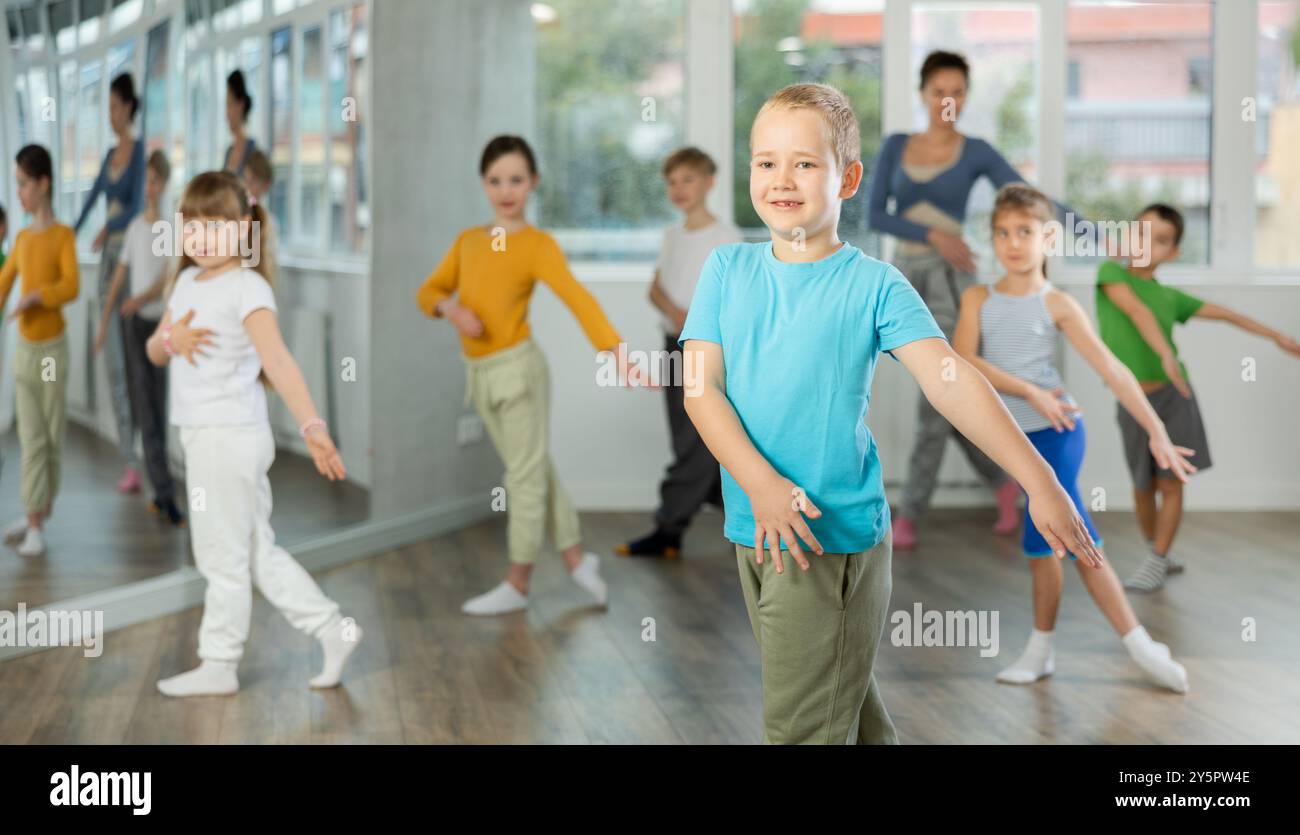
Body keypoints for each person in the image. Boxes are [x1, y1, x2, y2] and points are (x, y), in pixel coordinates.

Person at [680, 83, 1103, 744]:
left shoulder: (874, 284)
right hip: (753, 524)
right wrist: (761, 487)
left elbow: (952, 381)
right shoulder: (726, 270)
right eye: (765, 161)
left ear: (848, 178)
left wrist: (1039, 480)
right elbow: (700, 389)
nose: (781, 179)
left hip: (826, 535)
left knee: (802, 725)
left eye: (804, 162)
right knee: (842, 708)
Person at [954, 184, 1192, 692]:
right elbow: (963, 362)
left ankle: (1136, 644)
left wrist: (1158, 432)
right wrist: (1028, 391)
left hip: (1057, 434)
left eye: (1025, 232)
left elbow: (1112, 367)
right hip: (1014, 436)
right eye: (1002, 233)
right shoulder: (978, 297)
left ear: (1048, 239)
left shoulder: (1056, 303)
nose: (1013, 243)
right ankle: (1050, 649)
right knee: (1047, 543)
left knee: (1062, 535)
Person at [149, 171, 361, 696]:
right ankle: (333, 629)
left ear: (245, 227)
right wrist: (172, 337)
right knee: (254, 551)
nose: (199, 235)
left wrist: (314, 427)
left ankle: (219, 662)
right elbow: (155, 348)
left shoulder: (248, 286)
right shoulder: (186, 283)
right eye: (191, 224)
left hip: (229, 438)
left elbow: (280, 362)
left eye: (214, 223)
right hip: (206, 437)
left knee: (221, 556)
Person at [418, 135, 640, 616]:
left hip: (519, 373)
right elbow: (428, 291)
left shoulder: (537, 246)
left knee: (521, 477)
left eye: (516, 180)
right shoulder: (468, 242)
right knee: (533, 466)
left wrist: (615, 352)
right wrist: (451, 309)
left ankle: (517, 583)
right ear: (484, 184)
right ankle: (578, 561)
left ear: (533, 183)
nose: (506, 190)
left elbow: (578, 299)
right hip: (479, 375)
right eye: (496, 180)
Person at [867, 50, 1073, 549]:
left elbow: (1031, 198)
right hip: (902, 274)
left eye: (957, 92)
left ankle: (910, 513)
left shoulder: (976, 150)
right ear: (922, 94)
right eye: (939, 90)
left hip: (949, 281)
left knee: (938, 395)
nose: (947, 100)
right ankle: (1003, 484)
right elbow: (876, 214)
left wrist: (1104, 232)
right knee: (947, 399)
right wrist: (934, 234)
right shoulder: (896, 145)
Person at [1096, 203, 1300, 591]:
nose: (1145, 245)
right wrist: (1165, 352)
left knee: (1172, 483)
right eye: (1140, 233)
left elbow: (1226, 314)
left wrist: (1276, 336)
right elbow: (1136, 313)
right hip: (1134, 403)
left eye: (1159, 240)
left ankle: (1156, 558)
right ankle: (1158, 550)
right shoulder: (1109, 275)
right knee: (1143, 487)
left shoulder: (1171, 297)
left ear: (1172, 252)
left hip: (1176, 397)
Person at [616, 147, 740, 559]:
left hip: (708, 349)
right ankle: (748, 512)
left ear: (709, 183)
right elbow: (654, 288)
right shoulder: (671, 237)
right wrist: (676, 314)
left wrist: (699, 323)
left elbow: (736, 297)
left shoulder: (725, 238)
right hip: (673, 344)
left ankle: (668, 527)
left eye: (688, 179)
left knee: (697, 440)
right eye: (672, 182)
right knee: (688, 438)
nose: (679, 189)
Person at [95, 149, 184, 525]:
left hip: (158, 324)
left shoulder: (166, 229)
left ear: (162, 184)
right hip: (133, 326)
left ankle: (161, 487)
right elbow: (119, 276)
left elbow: (167, 277)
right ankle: (163, 492)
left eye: (153, 180)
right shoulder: (134, 228)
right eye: (145, 180)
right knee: (144, 407)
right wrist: (103, 323)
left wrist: (142, 297)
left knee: (158, 407)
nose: (148, 186)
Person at [0, 145, 80, 558]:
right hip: (25, 353)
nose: (19, 193)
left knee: (48, 435)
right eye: (16, 184)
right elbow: (3, 282)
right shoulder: (23, 239)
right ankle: (32, 520)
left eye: (23, 184)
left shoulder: (62, 236)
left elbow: (71, 286)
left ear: (43, 183)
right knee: (30, 436)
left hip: (50, 356)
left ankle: (40, 512)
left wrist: (37, 296)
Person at [75, 73, 146, 494]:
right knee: (115, 365)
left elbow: (135, 207)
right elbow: (87, 202)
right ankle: (130, 460)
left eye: (114, 106)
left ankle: (143, 451)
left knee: (136, 362)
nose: (109, 114)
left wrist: (107, 226)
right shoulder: (107, 157)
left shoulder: (137, 154)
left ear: (128, 107)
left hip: (131, 262)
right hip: (108, 266)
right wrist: (70, 231)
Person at [223, 70, 258, 178]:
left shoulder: (252, 151)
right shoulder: (229, 151)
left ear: (241, 105)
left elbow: (254, 193)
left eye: (229, 104)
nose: (226, 114)